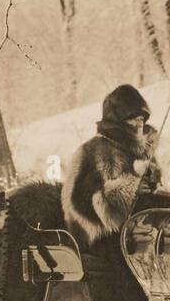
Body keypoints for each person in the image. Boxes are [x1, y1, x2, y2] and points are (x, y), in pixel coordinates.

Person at [61, 84, 163, 247]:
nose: (139, 123)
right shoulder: (93, 151)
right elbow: (85, 205)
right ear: (118, 121)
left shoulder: (143, 151)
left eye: (141, 118)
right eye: (132, 118)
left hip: (142, 232)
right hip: (102, 240)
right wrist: (131, 189)